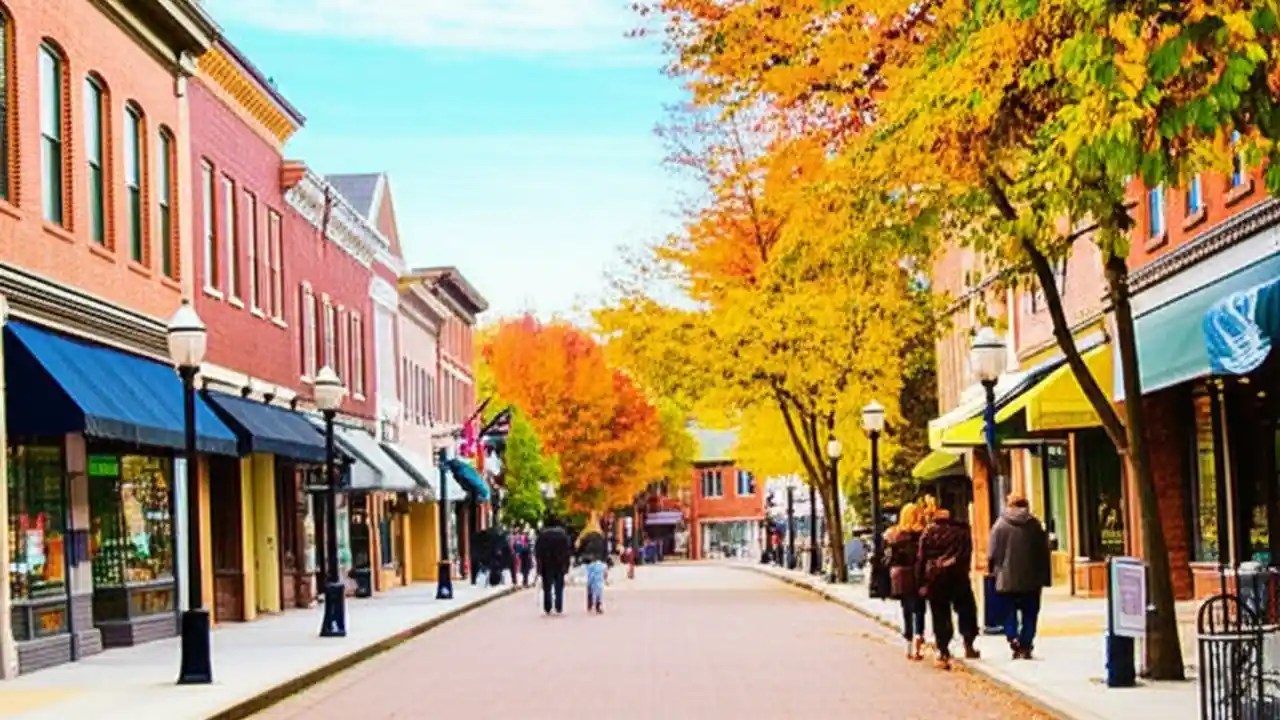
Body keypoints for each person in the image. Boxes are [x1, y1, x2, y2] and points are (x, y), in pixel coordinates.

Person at [988, 494, 1052, 659]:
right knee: (1030, 614)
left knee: (1008, 612)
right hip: (1032, 579)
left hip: (1006, 578)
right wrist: (1044, 577)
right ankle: (1025, 644)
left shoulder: (999, 525)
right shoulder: (1035, 525)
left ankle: (1012, 637)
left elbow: (993, 553)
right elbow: (1043, 553)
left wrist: (993, 572)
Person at [917, 508, 979, 669]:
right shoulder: (961, 533)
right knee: (966, 611)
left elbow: (921, 559)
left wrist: (921, 582)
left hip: (935, 579)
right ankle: (968, 643)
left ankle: (943, 649)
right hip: (958, 577)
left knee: (940, 615)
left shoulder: (927, 534)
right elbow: (966, 555)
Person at [884, 502, 926, 660]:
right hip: (917, 575)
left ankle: (908, 643)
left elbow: (889, 559)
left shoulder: (895, 535)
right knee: (920, 609)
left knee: (907, 610)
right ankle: (918, 637)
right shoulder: (922, 534)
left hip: (902, 578)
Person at [534, 518, 572, 615]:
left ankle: (547, 606)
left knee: (547, 586)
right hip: (560, 564)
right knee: (559, 586)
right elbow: (568, 551)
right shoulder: (563, 535)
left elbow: (537, 551)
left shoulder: (542, 535)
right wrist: (567, 565)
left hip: (546, 564)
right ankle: (558, 606)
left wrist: (539, 566)